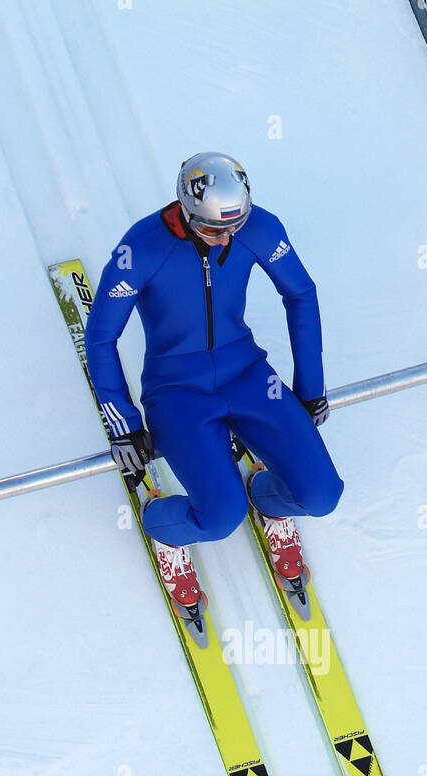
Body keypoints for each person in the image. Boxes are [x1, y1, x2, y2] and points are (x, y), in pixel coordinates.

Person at [85, 152, 342, 608]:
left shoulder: (259, 227)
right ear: (186, 210)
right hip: (177, 392)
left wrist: (311, 388)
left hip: (247, 374)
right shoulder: (139, 249)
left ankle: (267, 496)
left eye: (235, 228)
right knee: (221, 516)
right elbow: (101, 338)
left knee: (323, 494)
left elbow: (301, 293)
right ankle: (163, 526)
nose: (225, 241)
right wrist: (123, 424)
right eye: (211, 230)